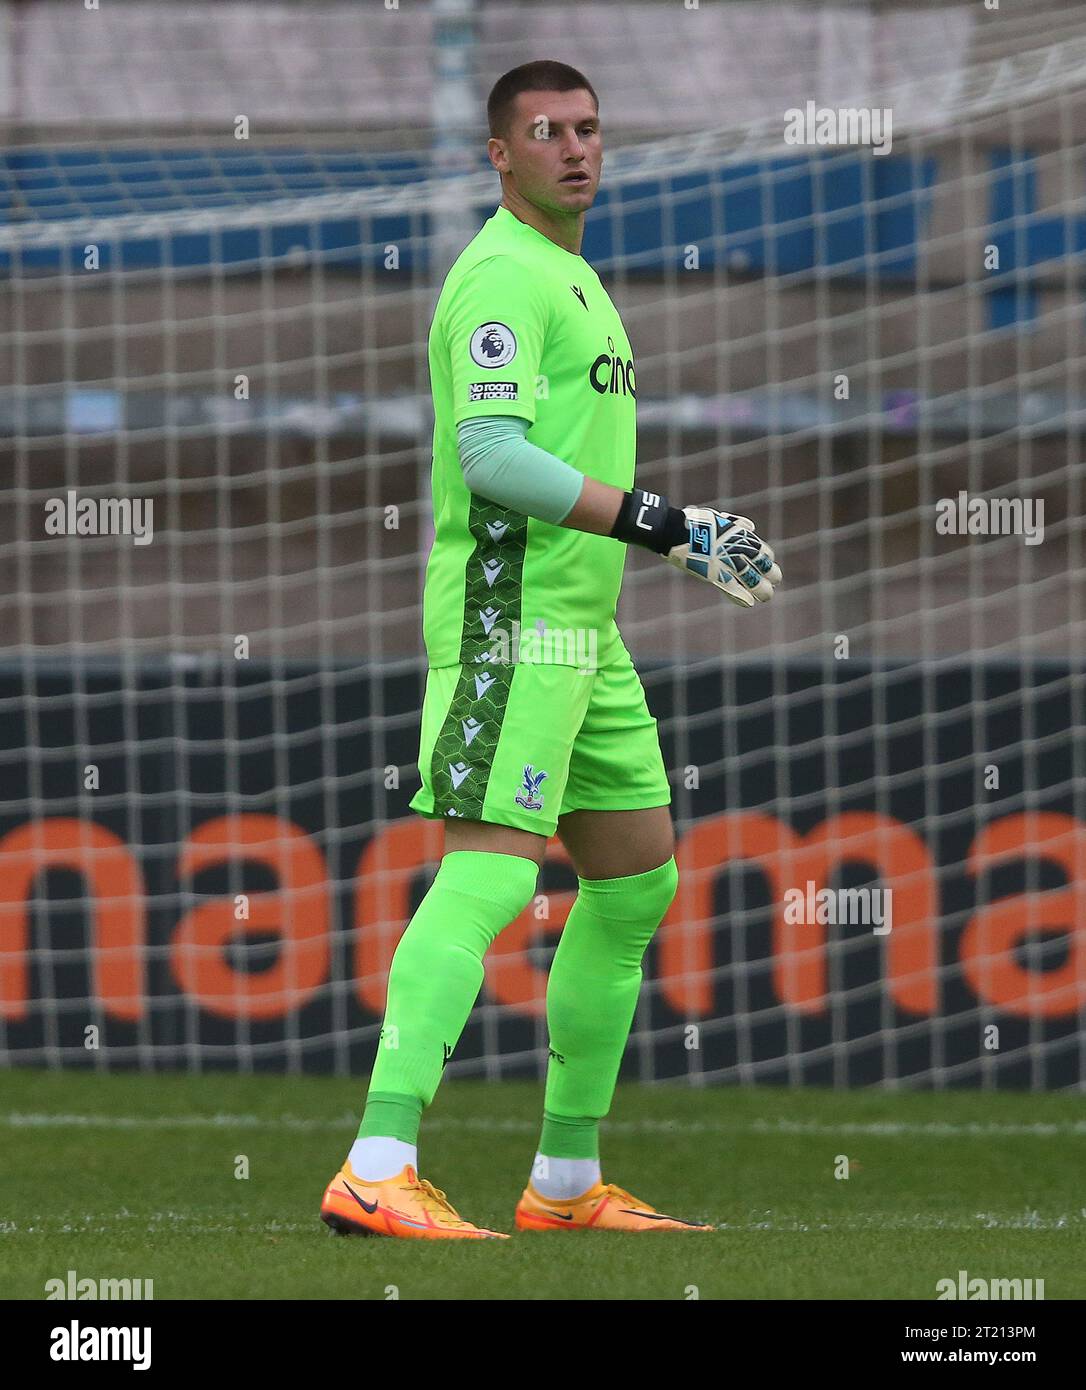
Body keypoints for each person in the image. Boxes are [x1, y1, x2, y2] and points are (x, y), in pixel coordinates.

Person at [320, 59, 781, 1240]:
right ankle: (377, 1161)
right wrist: (664, 522)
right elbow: (490, 454)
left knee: (635, 879)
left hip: (589, 628)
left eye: (588, 128)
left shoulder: (573, 277)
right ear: (501, 153)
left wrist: (657, 541)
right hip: (512, 615)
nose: (576, 148)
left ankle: (564, 1184)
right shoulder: (500, 275)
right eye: (547, 131)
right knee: (492, 869)